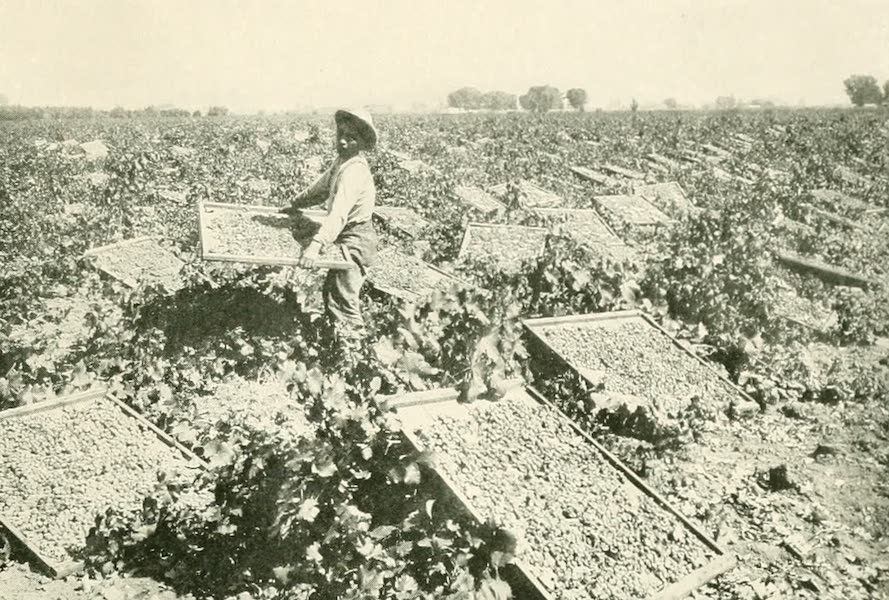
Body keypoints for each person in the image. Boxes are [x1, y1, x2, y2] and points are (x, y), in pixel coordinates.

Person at [280, 108, 378, 338]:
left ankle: (356, 352)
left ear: (362, 142)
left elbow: (338, 215)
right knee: (333, 293)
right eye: (340, 134)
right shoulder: (341, 163)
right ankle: (339, 342)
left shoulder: (354, 171)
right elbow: (319, 190)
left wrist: (315, 246)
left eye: (351, 138)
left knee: (343, 299)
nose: (343, 142)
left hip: (357, 240)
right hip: (346, 235)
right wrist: (296, 204)